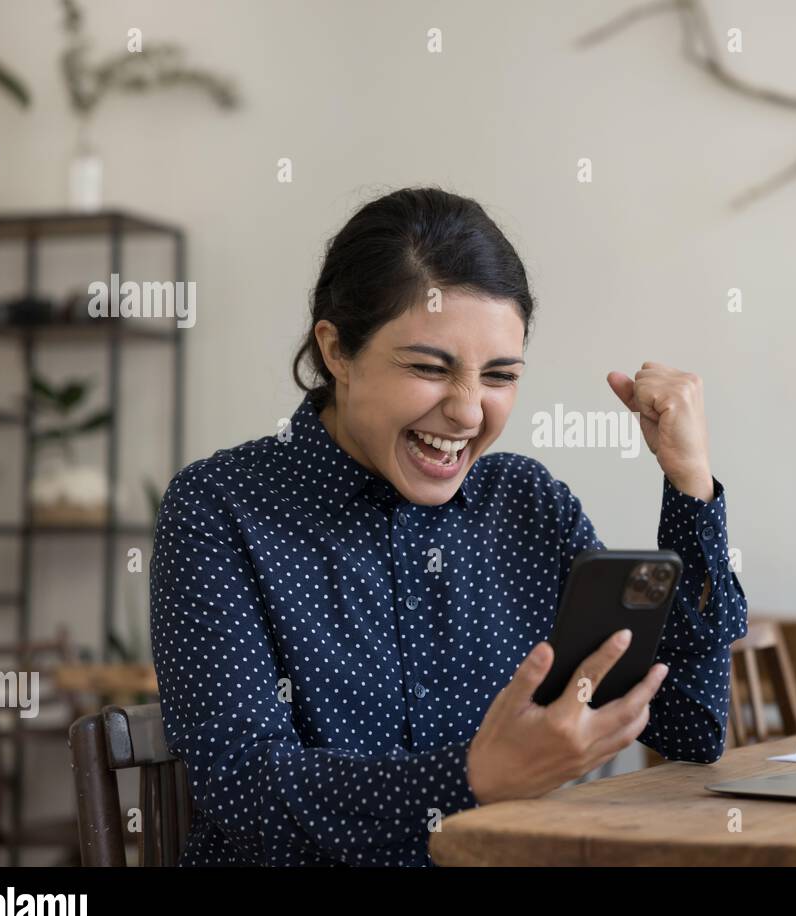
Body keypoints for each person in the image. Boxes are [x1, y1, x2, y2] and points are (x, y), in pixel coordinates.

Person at [150, 186, 749, 866]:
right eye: (430, 367)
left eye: (499, 375)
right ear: (337, 350)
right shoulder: (219, 507)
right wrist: (474, 778)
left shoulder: (526, 502)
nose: (468, 412)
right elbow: (243, 790)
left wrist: (690, 485)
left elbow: (691, 728)